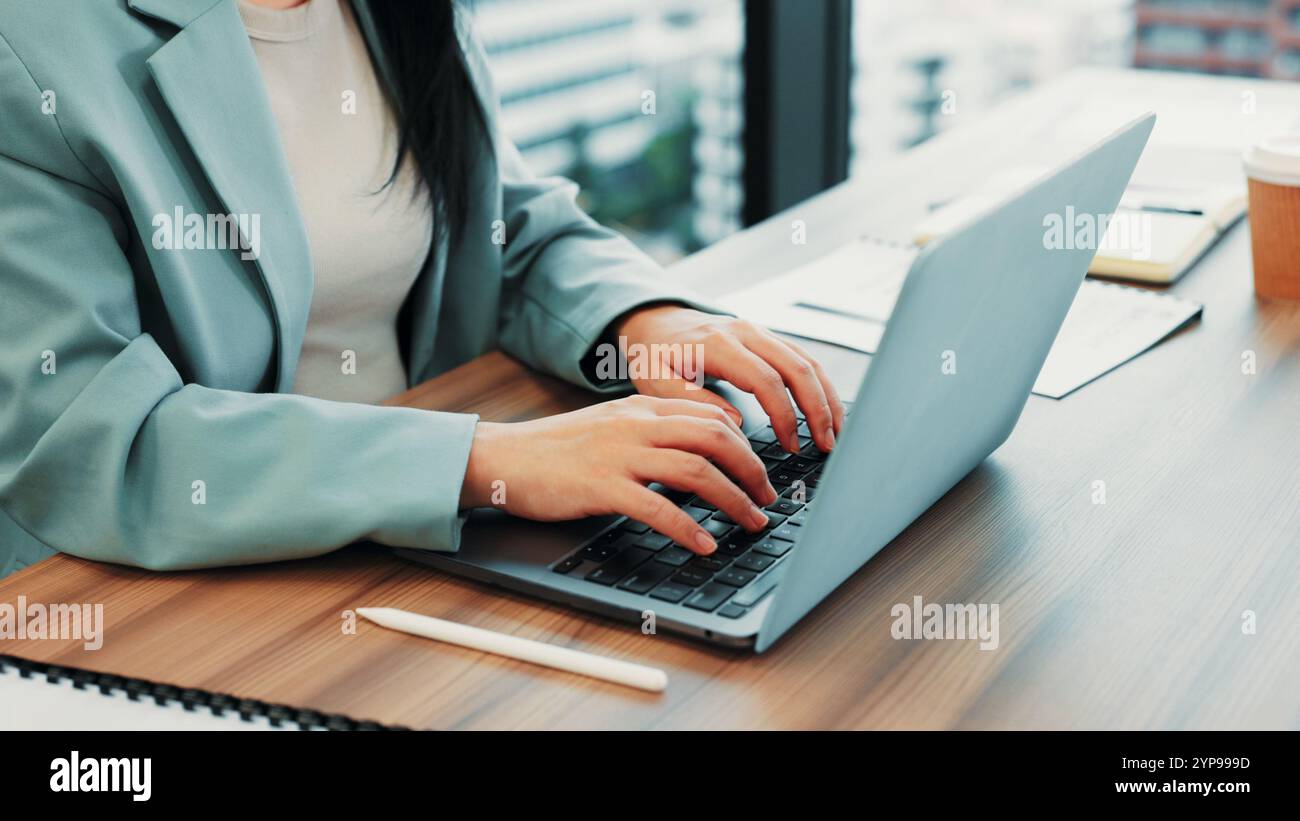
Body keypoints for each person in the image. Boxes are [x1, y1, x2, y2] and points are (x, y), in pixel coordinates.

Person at [0, 0, 843, 578]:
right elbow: (89, 443)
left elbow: (497, 226)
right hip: (170, 589)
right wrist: (486, 462)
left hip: (415, 539)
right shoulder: (30, 48)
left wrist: (645, 320)